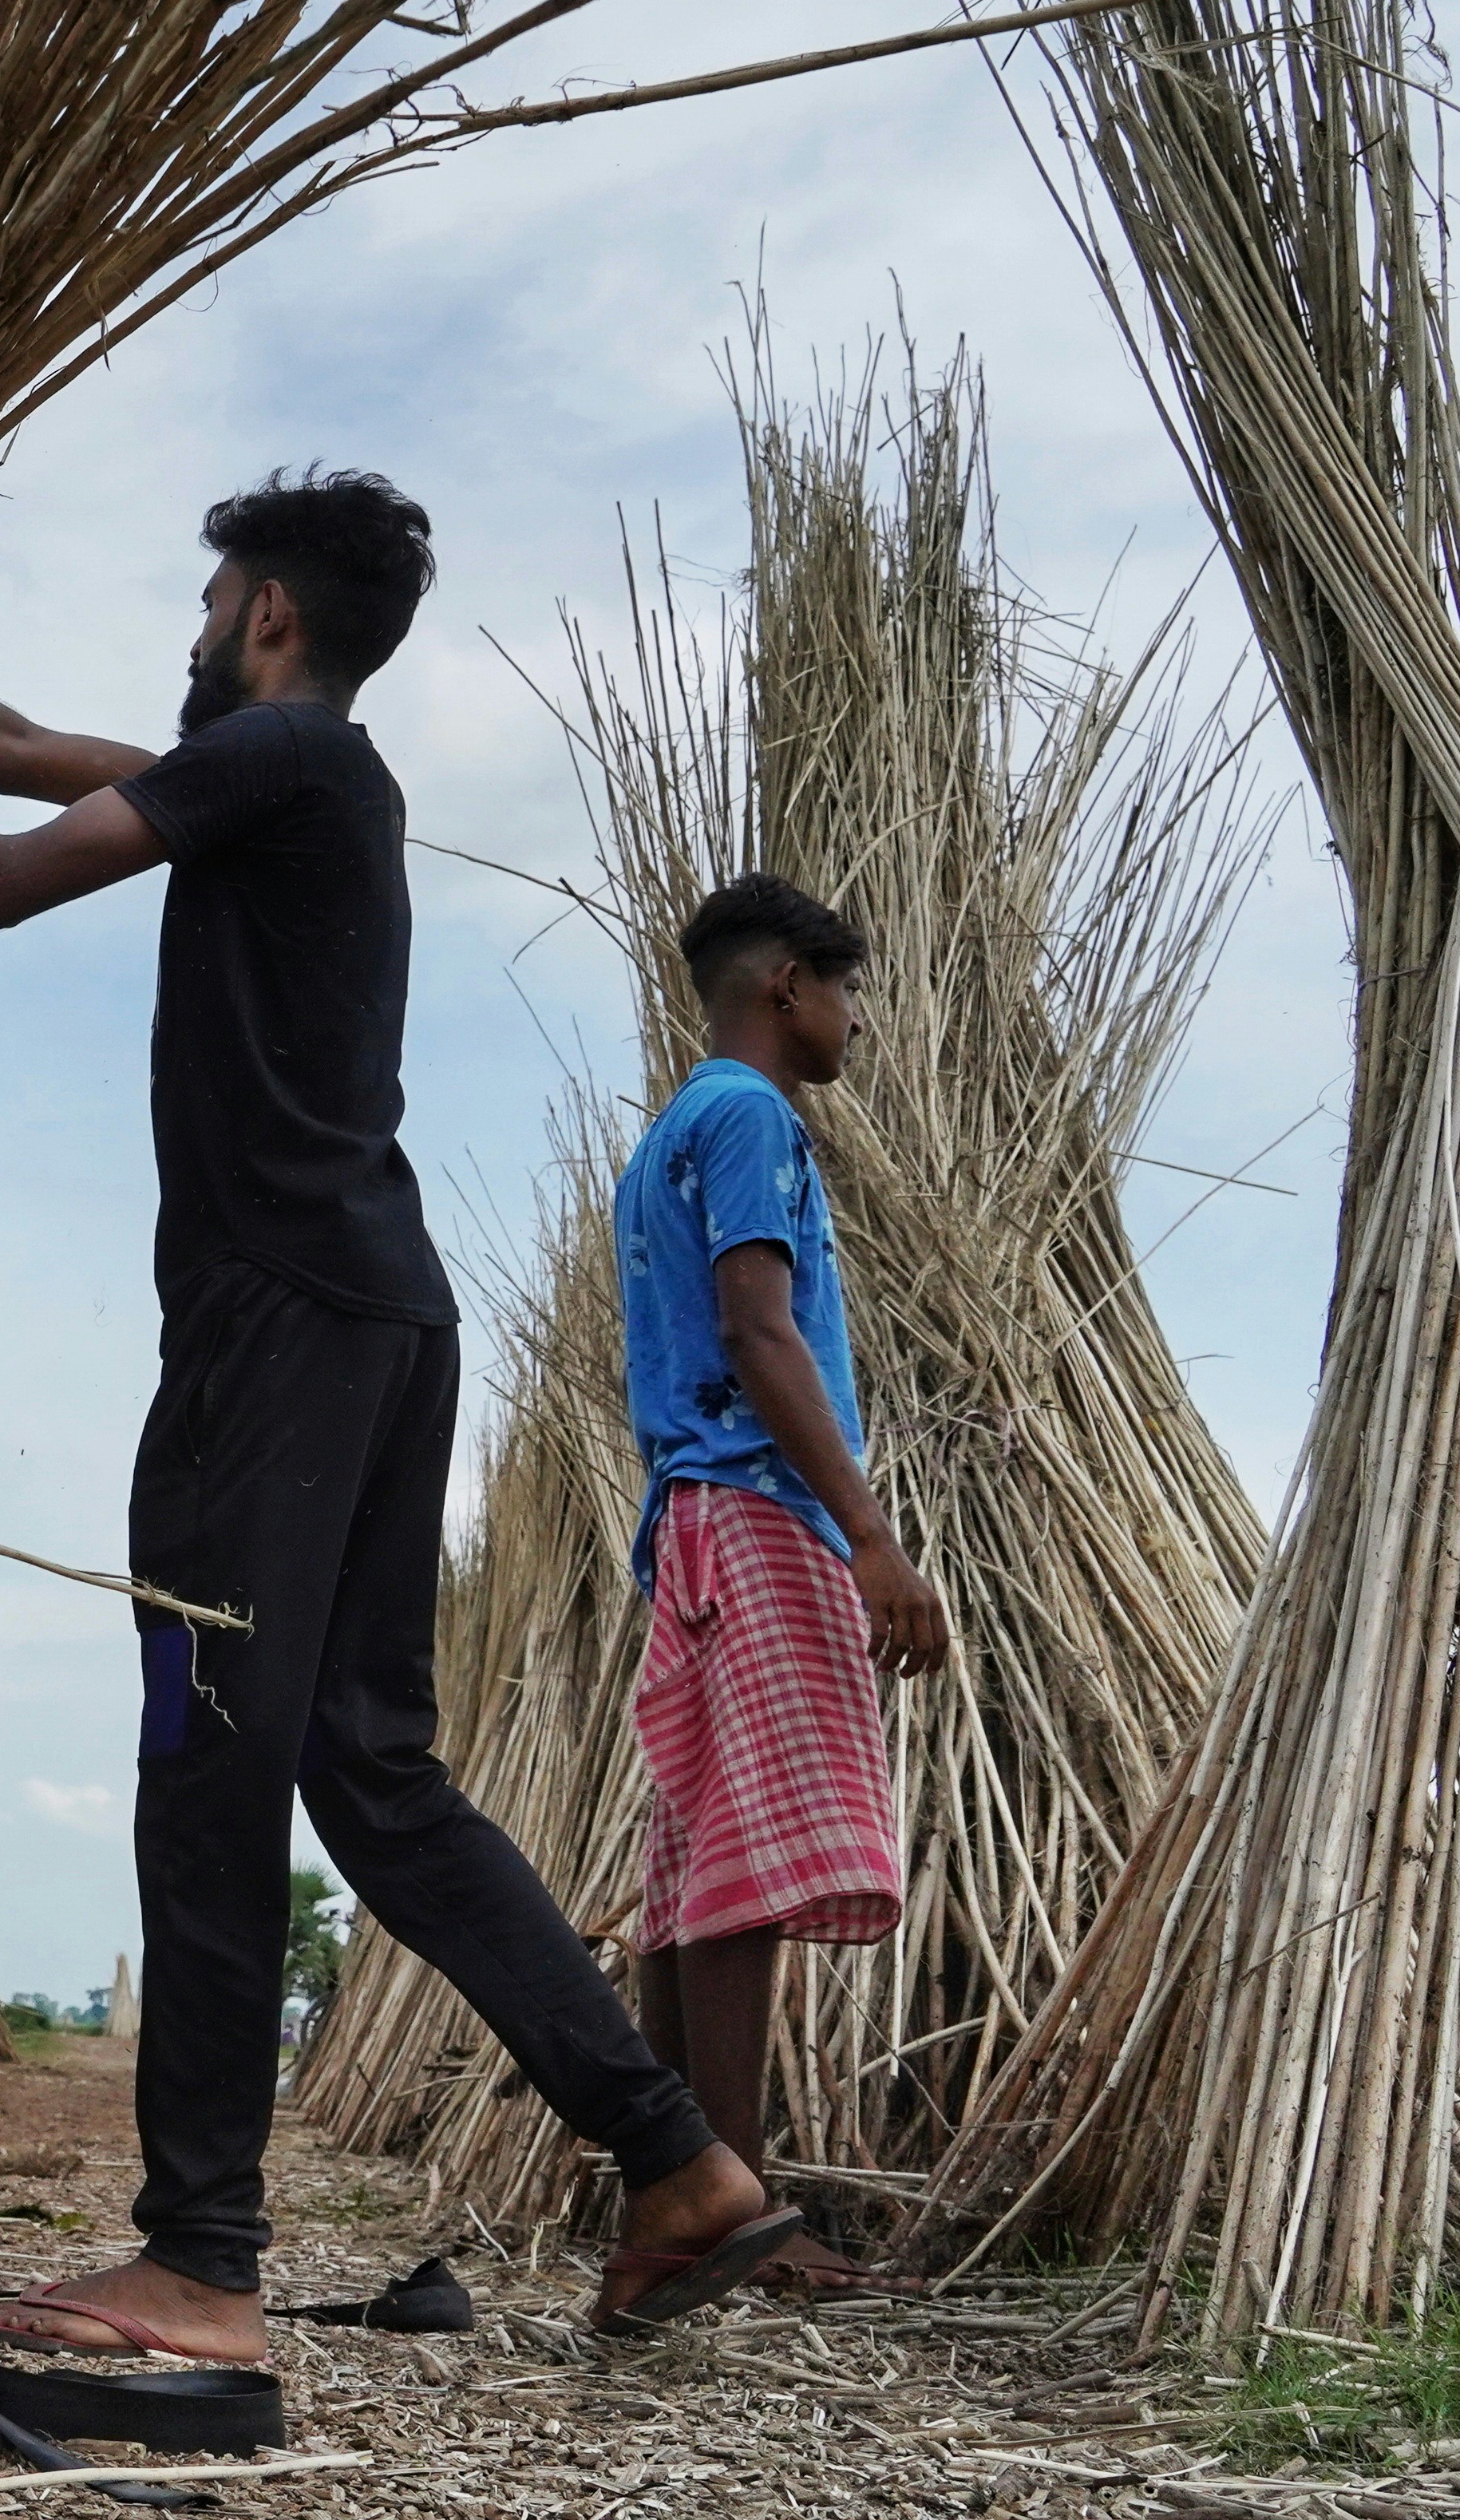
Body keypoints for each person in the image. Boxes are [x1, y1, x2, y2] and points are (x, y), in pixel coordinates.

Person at [0, 469, 802, 2359]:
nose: (191, 635)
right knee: (374, 1774)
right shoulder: (298, 783)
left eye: (210, 604)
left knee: (208, 1752)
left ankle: (201, 2261)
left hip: (275, 1332)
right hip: (380, 1314)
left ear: (268, 613)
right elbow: (26, 751)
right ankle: (682, 2162)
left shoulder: (284, 762)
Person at [611, 873, 950, 2296]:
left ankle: (686, 2190)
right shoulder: (751, 1120)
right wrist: (870, 1536)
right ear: (786, 989)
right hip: (757, 1512)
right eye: (849, 991)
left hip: (693, 1516)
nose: (861, 1022)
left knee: (694, 1875)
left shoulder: (668, 1134)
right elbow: (763, 1332)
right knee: (739, 1872)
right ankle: (734, 2215)